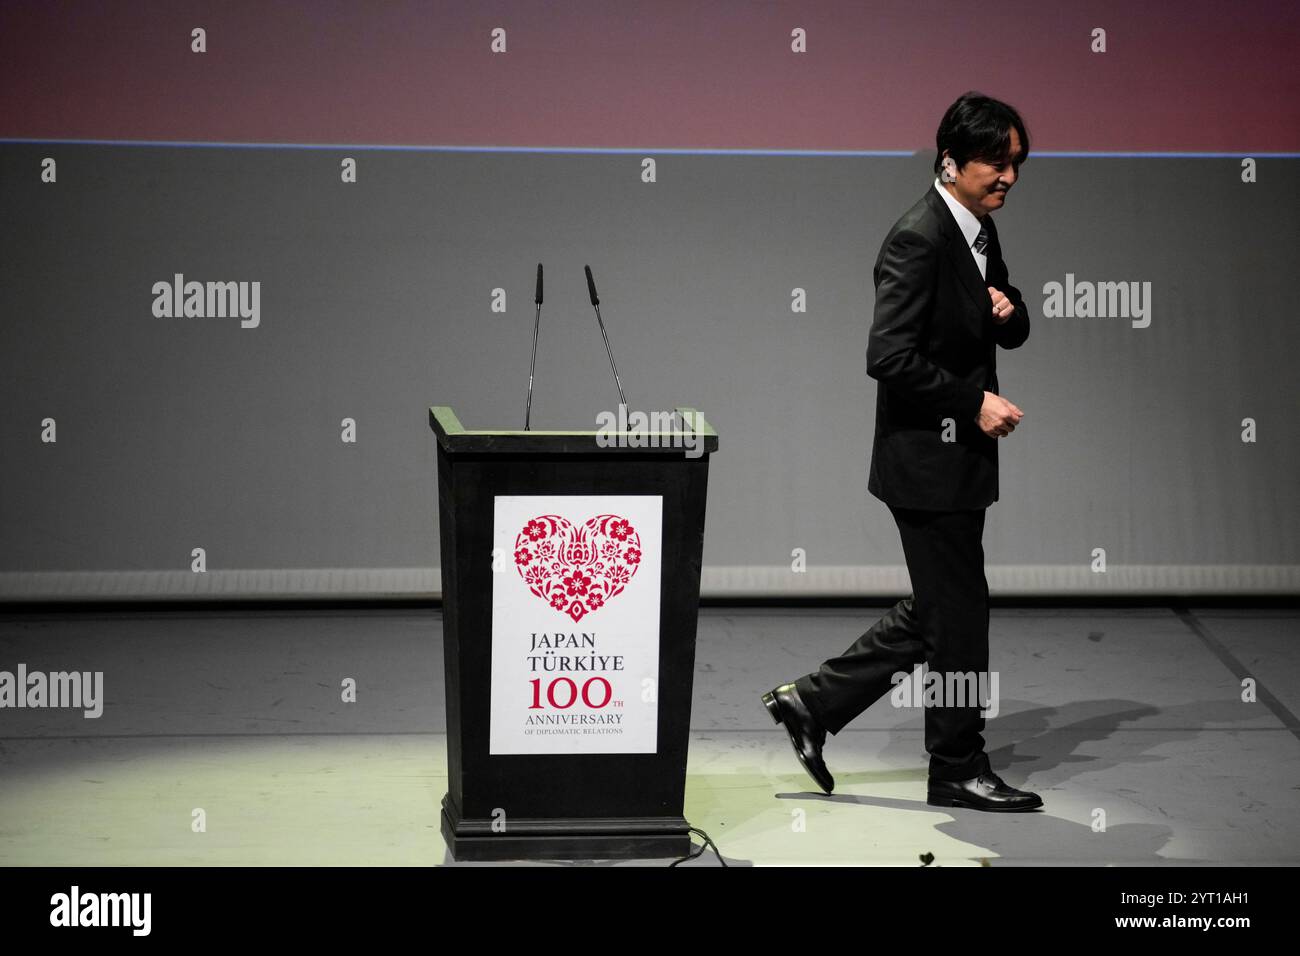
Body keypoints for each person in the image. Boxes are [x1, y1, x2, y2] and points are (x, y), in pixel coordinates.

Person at [762, 91, 1043, 812]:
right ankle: (956, 766)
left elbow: (993, 323)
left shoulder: (976, 228)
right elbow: (888, 356)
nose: (1009, 175)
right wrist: (972, 402)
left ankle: (812, 704)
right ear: (950, 161)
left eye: (1016, 162)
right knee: (959, 618)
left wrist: (1008, 307)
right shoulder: (919, 236)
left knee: (943, 612)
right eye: (995, 161)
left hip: (959, 461)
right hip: (925, 461)